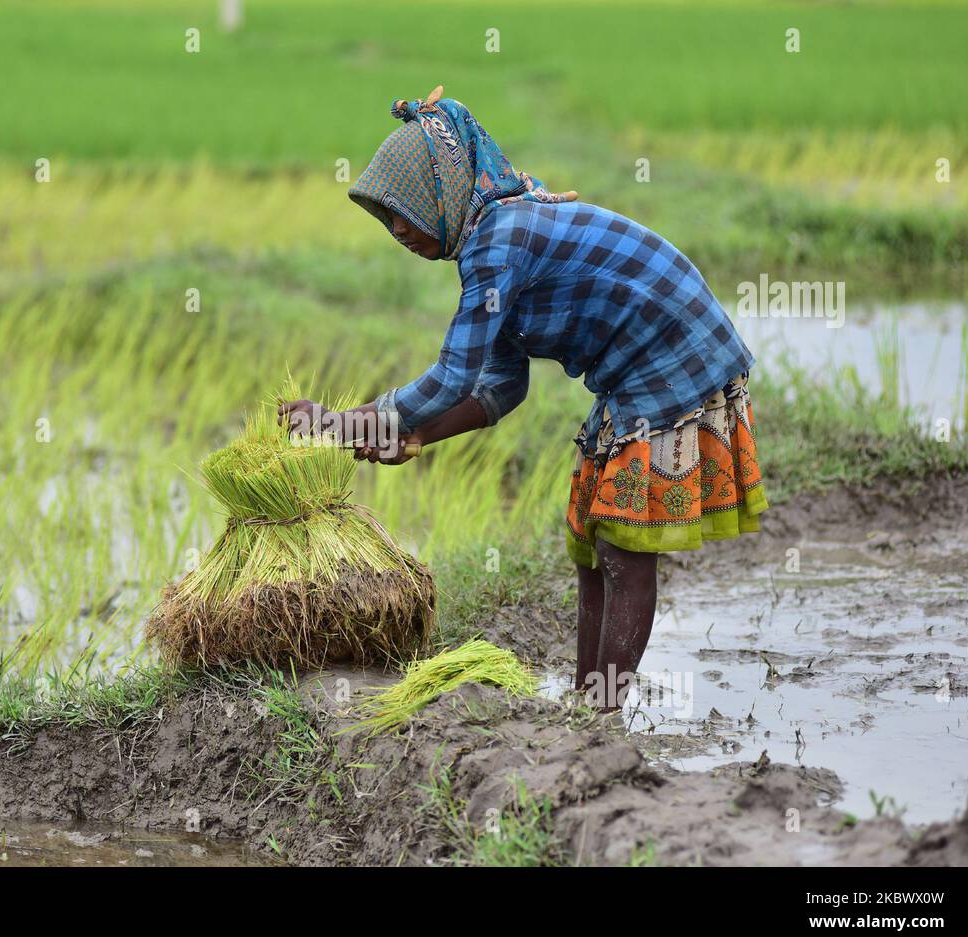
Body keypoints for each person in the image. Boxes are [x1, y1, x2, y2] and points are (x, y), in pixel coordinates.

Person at [279, 86, 767, 712]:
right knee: (594, 540)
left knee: (625, 546)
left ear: (442, 194)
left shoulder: (498, 239)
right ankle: (592, 705)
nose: (397, 230)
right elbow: (500, 388)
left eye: (402, 211)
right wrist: (415, 436)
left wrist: (341, 426)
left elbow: (452, 377)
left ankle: (602, 715)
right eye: (387, 219)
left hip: (675, 352)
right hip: (634, 368)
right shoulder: (493, 243)